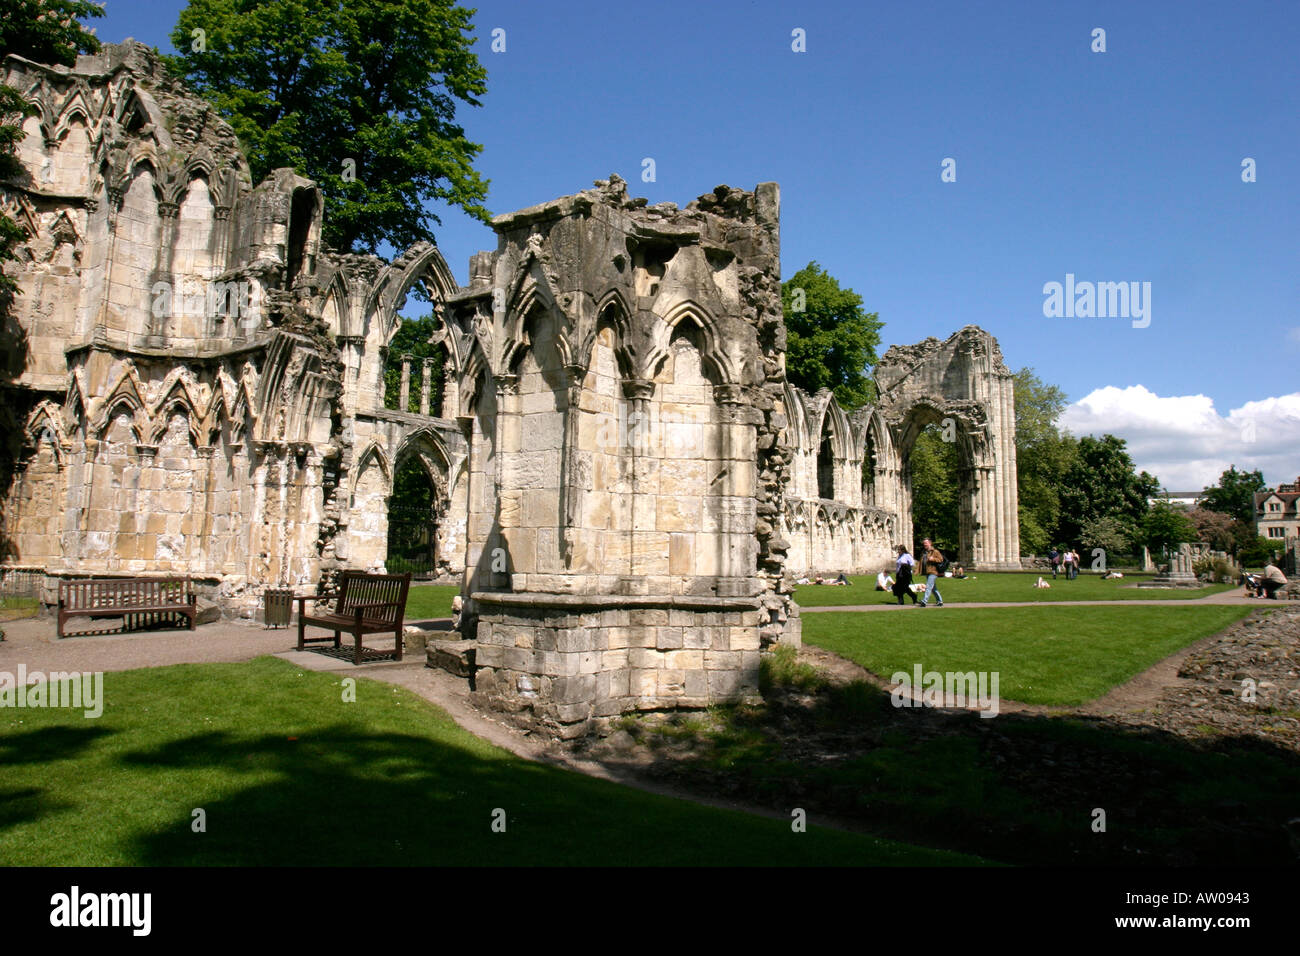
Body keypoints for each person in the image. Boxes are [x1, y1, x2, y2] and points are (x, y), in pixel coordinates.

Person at [918, 538, 945, 607]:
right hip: (927, 571)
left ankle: (924, 601)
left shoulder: (935, 551)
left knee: (929, 586)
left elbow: (941, 559)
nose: (924, 544)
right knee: (933, 588)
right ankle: (940, 601)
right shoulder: (924, 552)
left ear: (930, 543)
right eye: (924, 543)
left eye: (926, 543)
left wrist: (933, 559)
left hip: (933, 571)